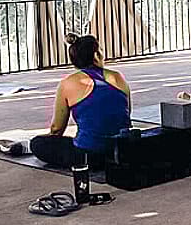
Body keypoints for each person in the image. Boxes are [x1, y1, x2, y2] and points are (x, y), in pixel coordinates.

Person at [31, 34, 131, 170]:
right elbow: (125, 113)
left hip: (88, 155)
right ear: (96, 55)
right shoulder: (117, 77)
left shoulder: (68, 83)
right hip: (122, 150)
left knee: (37, 143)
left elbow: (57, 129)